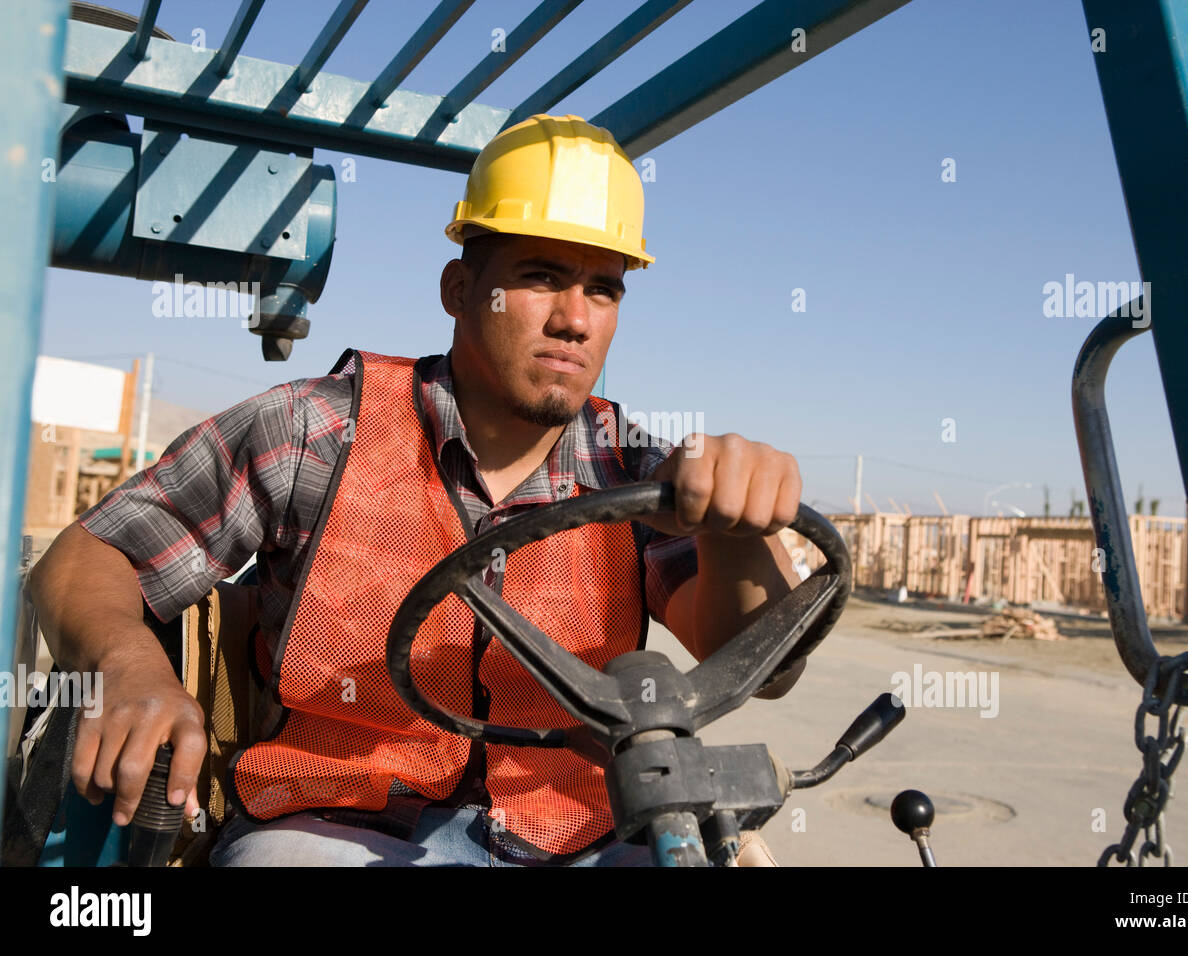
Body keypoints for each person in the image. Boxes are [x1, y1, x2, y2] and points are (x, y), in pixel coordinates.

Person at [28, 115, 804, 867]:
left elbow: (763, 669)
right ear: (460, 289)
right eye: (540, 277)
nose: (575, 319)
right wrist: (130, 666)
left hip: (578, 833)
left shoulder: (633, 470)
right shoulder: (313, 430)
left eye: (602, 290)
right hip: (333, 825)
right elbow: (86, 556)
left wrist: (736, 537)